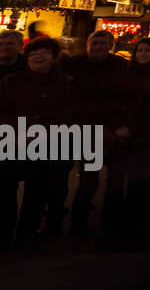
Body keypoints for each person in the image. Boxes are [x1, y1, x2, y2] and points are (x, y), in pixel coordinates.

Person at [0, 37, 75, 249]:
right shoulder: (11, 81)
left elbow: (68, 114)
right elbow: (3, 110)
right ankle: (3, 235)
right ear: (27, 57)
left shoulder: (65, 82)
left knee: (36, 193)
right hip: (12, 143)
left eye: (44, 53)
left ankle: (26, 234)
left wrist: (43, 132)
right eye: (33, 53)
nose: (39, 57)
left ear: (53, 57)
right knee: (5, 192)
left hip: (47, 144)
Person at [64, 30, 130, 237]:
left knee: (116, 179)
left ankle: (110, 222)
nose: (99, 47)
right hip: (87, 131)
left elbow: (128, 98)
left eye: (103, 43)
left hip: (114, 131)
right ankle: (78, 221)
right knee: (88, 180)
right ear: (87, 44)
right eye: (95, 43)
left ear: (111, 46)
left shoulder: (121, 66)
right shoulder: (74, 64)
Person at [114, 38, 150, 242]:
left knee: (145, 178)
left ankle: (140, 220)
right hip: (126, 135)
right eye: (139, 50)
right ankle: (126, 219)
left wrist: (133, 127)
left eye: (147, 50)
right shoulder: (128, 75)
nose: (142, 54)